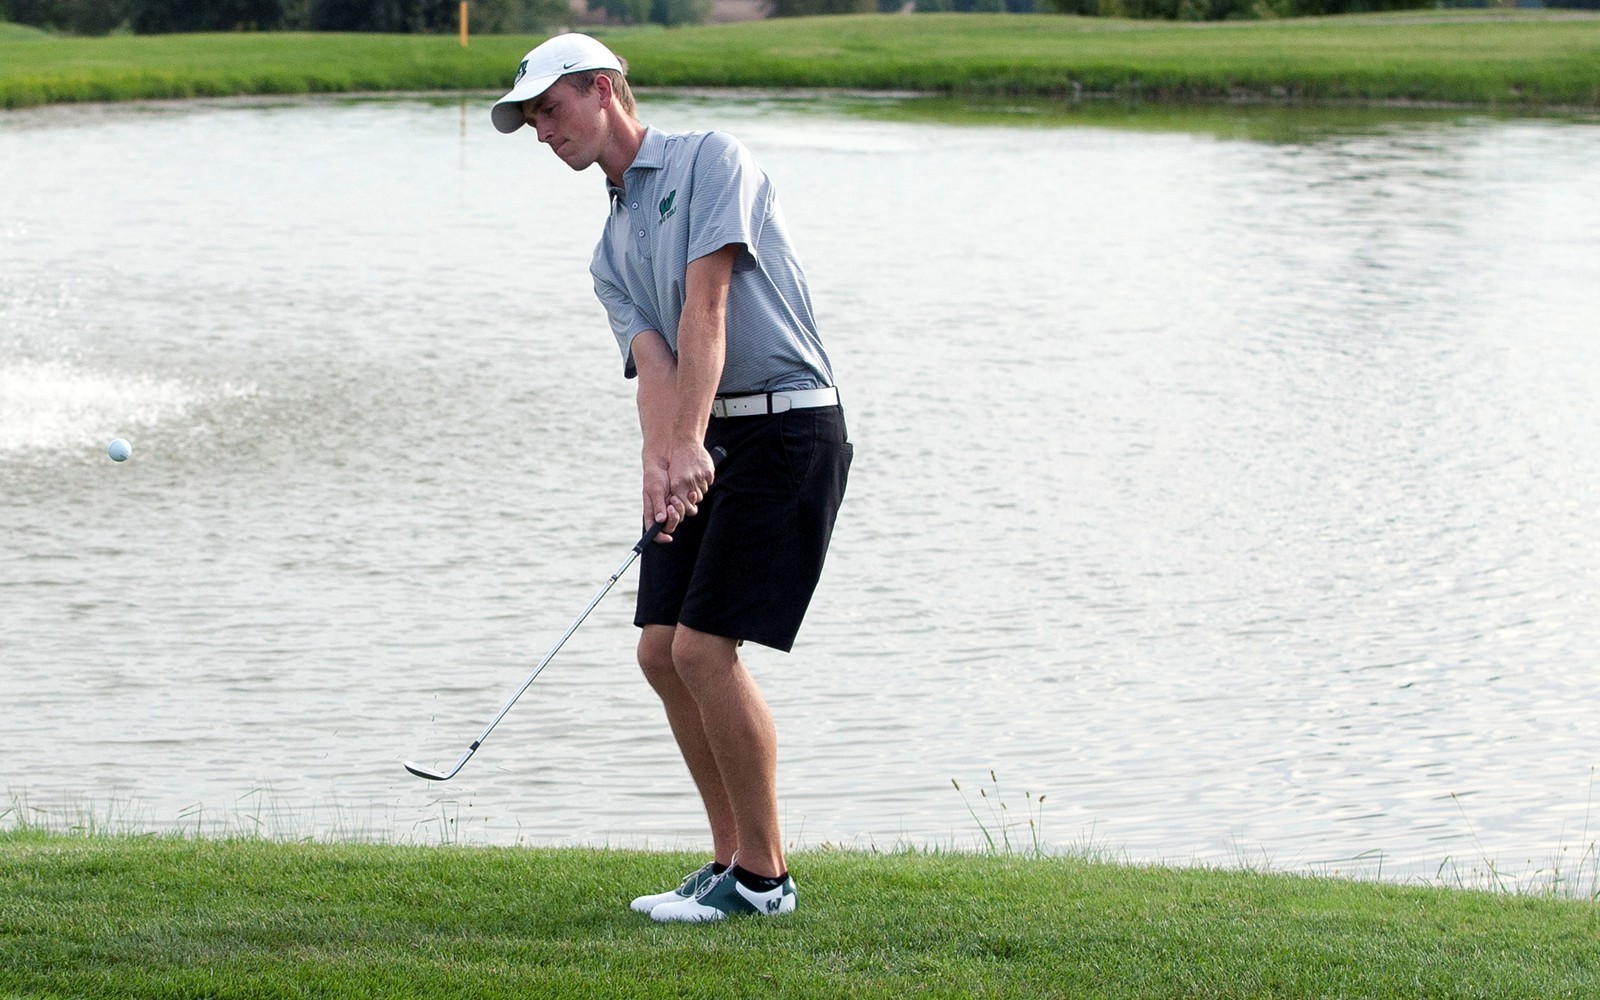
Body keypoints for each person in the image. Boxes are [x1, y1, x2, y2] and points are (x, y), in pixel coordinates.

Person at [491, 33, 851, 923]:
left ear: (603, 90)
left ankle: (767, 882)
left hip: (788, 429)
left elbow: (709, 303)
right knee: (660, 649)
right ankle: (729, 858)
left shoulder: (711, 161)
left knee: (703, 648)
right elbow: (654, 365)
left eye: (550, 109)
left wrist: (690, 442)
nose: (541, 132)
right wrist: (662, 466)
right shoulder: (609, 249)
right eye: (531, 119)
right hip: (709, 438)